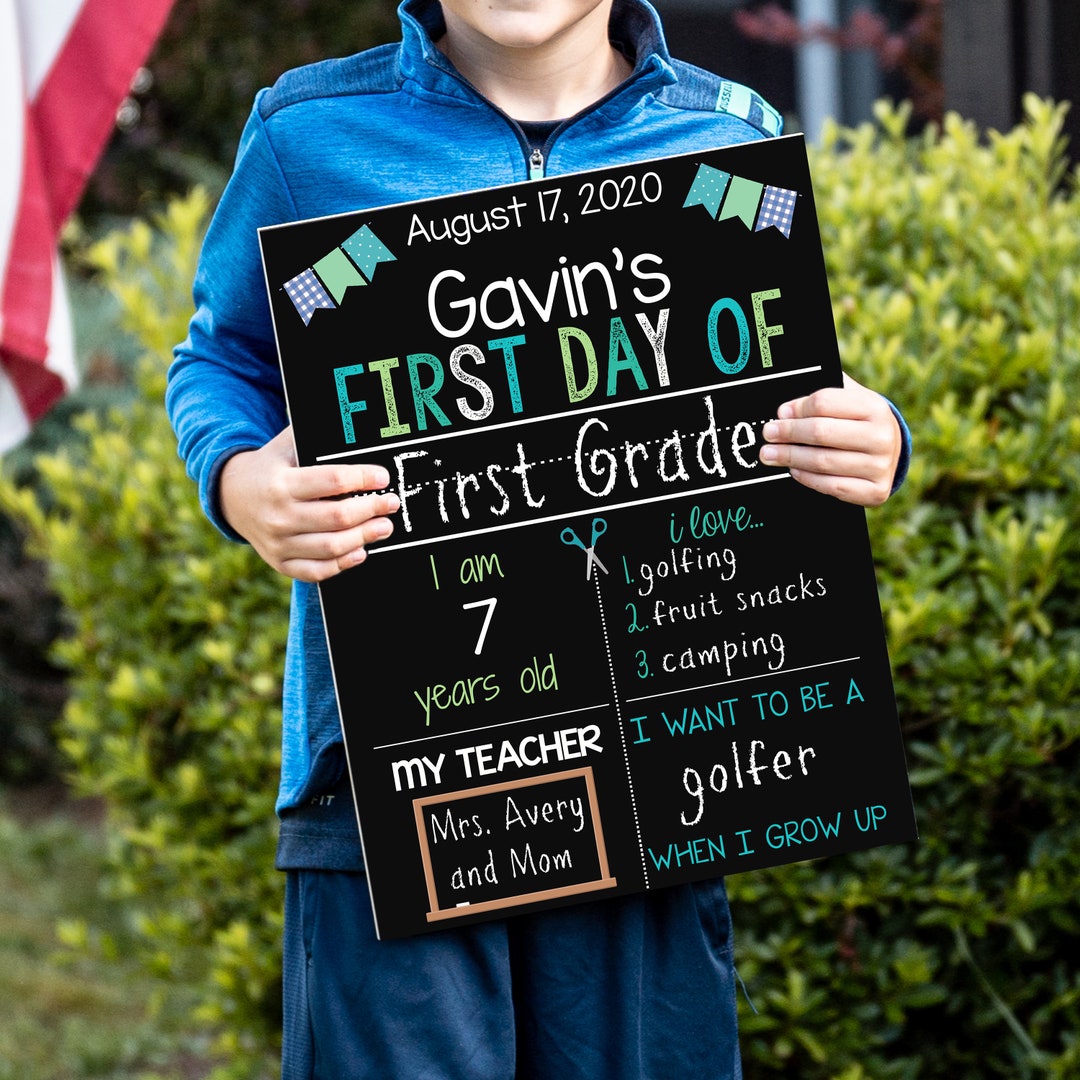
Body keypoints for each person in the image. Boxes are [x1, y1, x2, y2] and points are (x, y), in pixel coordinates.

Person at [167, 2, 911, 1076]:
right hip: (395, 796)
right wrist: (240, 480)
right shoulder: (307, 136)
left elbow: (787, 385)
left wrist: (874, 435)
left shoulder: (728, 142)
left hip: (659, 791)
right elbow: (220, 361)